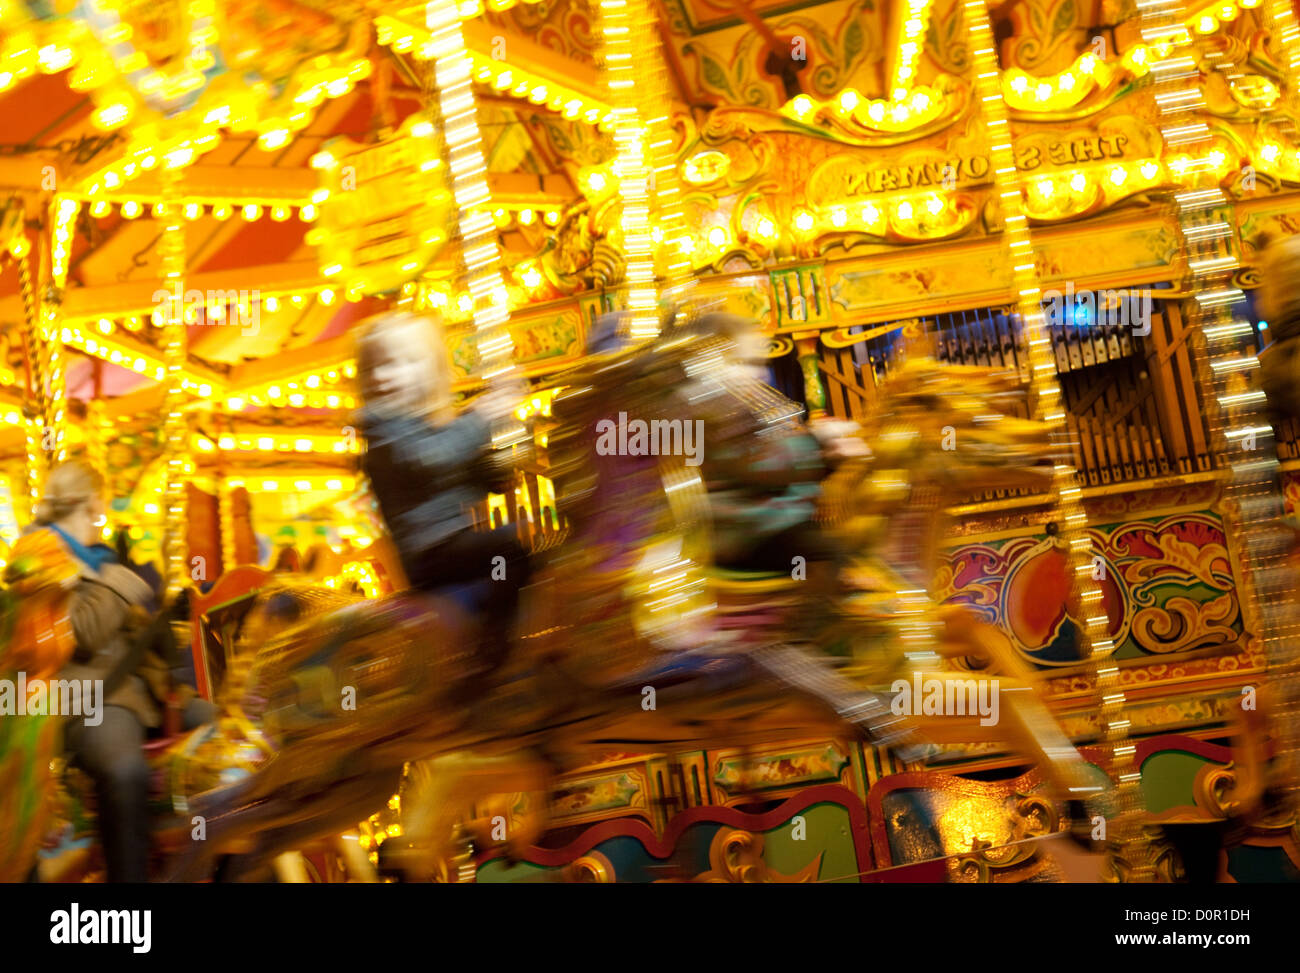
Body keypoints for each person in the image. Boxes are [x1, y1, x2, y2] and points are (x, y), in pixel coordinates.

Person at [32, 459, 210, 882]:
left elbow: (125, 635)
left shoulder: (95, 558)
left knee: (232, 735)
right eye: (103, 502)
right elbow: (85, 631)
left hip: (143, 696)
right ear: (90, 502)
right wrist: (120, 581)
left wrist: (166, 619)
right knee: (124, 770)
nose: (105, 513)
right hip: (87, 700)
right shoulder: (38, 557)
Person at [355, 311, 528, 676]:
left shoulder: (423, 425)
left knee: (533, 547)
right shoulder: (379, 425)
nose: (382, 375)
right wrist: (480, 416)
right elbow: (431, 459)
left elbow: (469, 480)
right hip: (429, 552)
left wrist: (496, 463)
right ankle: (491, 652)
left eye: (399, 364)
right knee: (510, 550)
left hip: (456, 541)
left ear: (427, 370)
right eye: (374, 367)